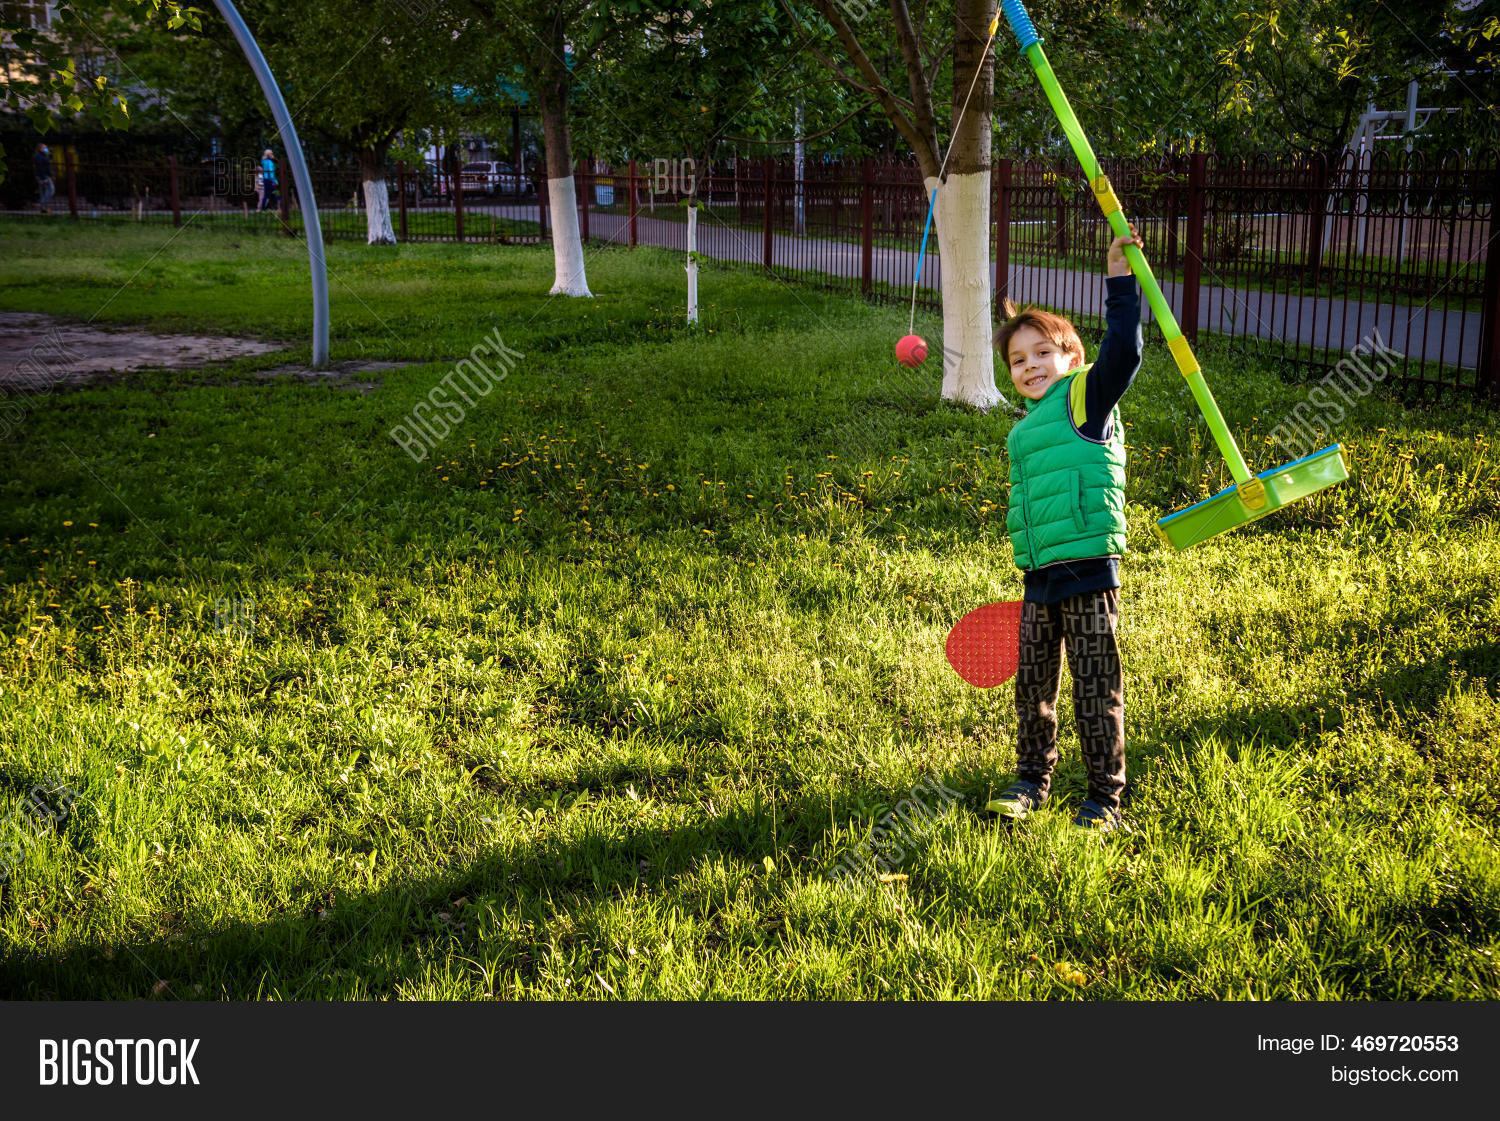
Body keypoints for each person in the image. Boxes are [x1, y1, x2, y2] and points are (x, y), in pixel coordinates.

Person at [987, 223, 1145, 834]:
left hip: (1086, 570)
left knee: (1095, 683)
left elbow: (1125, 352)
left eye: (1041, 354)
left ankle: (1105, 797)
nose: (1029, 367)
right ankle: (1032, 780)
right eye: (1018, 360)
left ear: (1072, 358)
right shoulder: (1024, 428)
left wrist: (1120, 280)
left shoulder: (1087, 398)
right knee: (1032, 685)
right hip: (1039, 576)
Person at [34, 143, 55, 215]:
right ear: (40, 148)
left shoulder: (43, 156)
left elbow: (47, 166)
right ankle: (44, 205)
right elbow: (40, 167)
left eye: (46, 148)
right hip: (43, 176)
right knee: (50, 190)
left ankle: (44, 207)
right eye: (44, 148)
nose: (46, 149)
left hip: (45, 175)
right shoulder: (38, 156)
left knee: (45, 191)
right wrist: (43, 178)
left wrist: (51, 175)